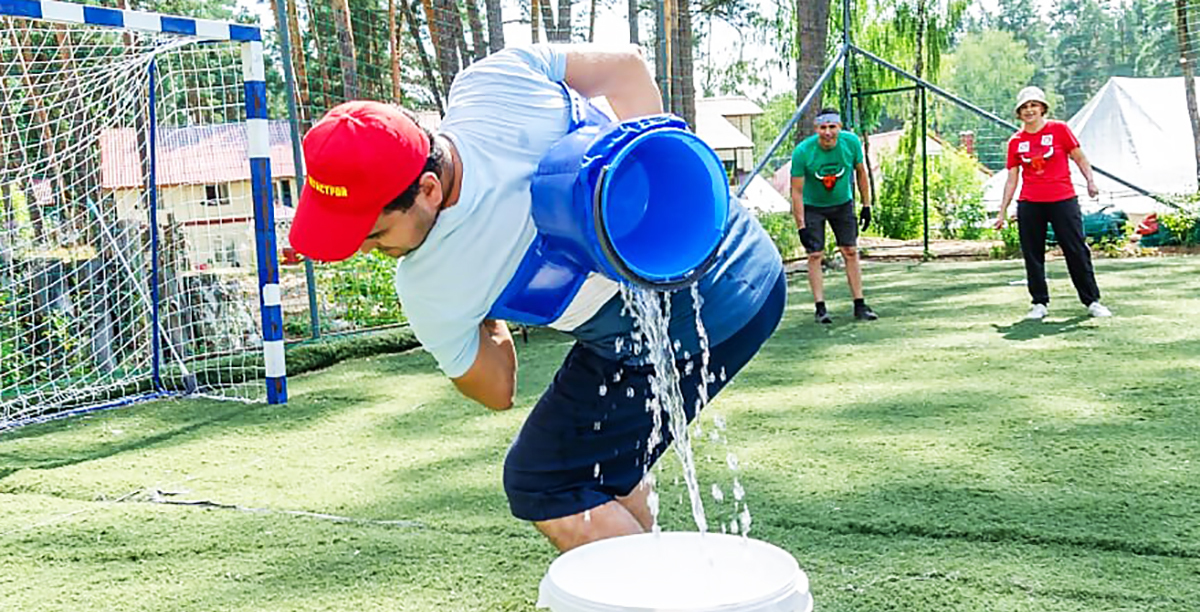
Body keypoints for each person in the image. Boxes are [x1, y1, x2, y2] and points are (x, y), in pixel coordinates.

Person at [288, 45, 786, 553]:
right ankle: (629, 587)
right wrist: (663, 184)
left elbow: (497, 388)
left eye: (375, 235)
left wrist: (484, 316)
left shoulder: (430, 286)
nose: (373, 252)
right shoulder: (492, 79)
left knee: (545, 478)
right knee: (597, 460)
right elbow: (627, 69)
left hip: (700, 331)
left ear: (430, 190)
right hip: (751, 261)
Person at [994, 86, 1112, 320]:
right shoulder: (1016, 141)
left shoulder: (1059, 129)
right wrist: (1002, 211)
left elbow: (1079, 157)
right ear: (1019, 113)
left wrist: (1090, 181)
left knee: (1076, 250)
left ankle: (1092, 301)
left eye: (1034, 106)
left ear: (1042, 108)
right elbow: (1011, 178)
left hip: (1063, 200)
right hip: (1030, 203)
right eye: (1025, 107)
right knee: (1033, 254)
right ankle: (1039, 303)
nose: (1030, 111)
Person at [789, 108, 876, 325]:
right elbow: (796, 192)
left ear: (839, 128)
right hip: (813, 206)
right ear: (816, 129)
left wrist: (867, 205)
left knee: (850, 251)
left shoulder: (850, 143)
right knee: (815, 254)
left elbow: (861, 172)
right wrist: (801, 227)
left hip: (842, 204)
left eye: (832, 127)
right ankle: (820, 308)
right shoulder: (803, 152)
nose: (828, 132)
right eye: (823, 128)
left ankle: (859, 304)